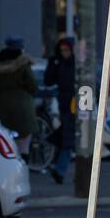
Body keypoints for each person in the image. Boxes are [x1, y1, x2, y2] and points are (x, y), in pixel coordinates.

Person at [0, 35, 38, 157]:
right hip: (23, 106)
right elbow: (33, 86)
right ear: (20, 49)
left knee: (7, 141)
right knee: (24, 142)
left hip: (3, 104)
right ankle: (23, 167)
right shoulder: (23, 64)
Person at [43, 37, 77, 184]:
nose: (64, 53)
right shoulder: (57, 62)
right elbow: (48, 80)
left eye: (67, 50)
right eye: (62, 50)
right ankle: (59, 168)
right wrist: (53, 63)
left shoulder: (77, 63)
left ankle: (59, 168)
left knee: (68, 137)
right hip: (64, 103)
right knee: (67, 137)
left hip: (76, 102)